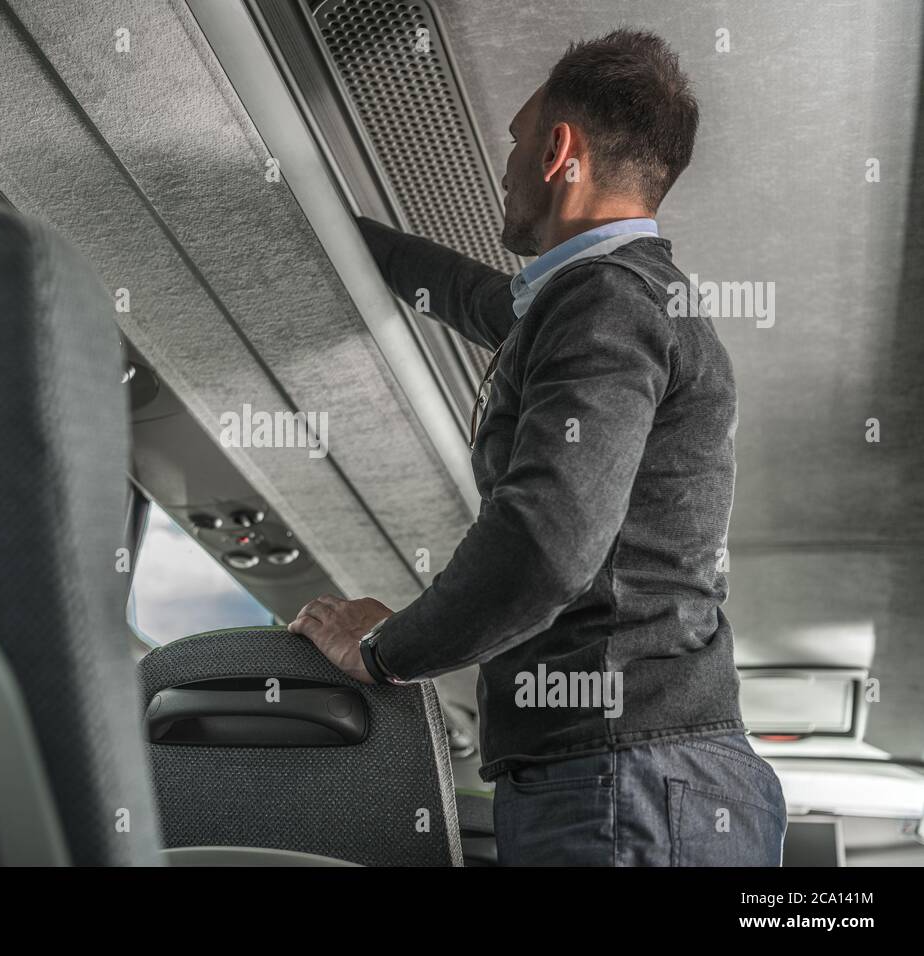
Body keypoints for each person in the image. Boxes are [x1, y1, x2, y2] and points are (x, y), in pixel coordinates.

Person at [288, 28, 787, 865]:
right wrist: (317, 226)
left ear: (559, 151)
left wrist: (384, 653)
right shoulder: (608, 298)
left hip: (623, 776)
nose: (506, 166)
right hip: (636, 776)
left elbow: (546, 547)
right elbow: (473, 296)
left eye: (517, 141)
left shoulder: (606, 302)